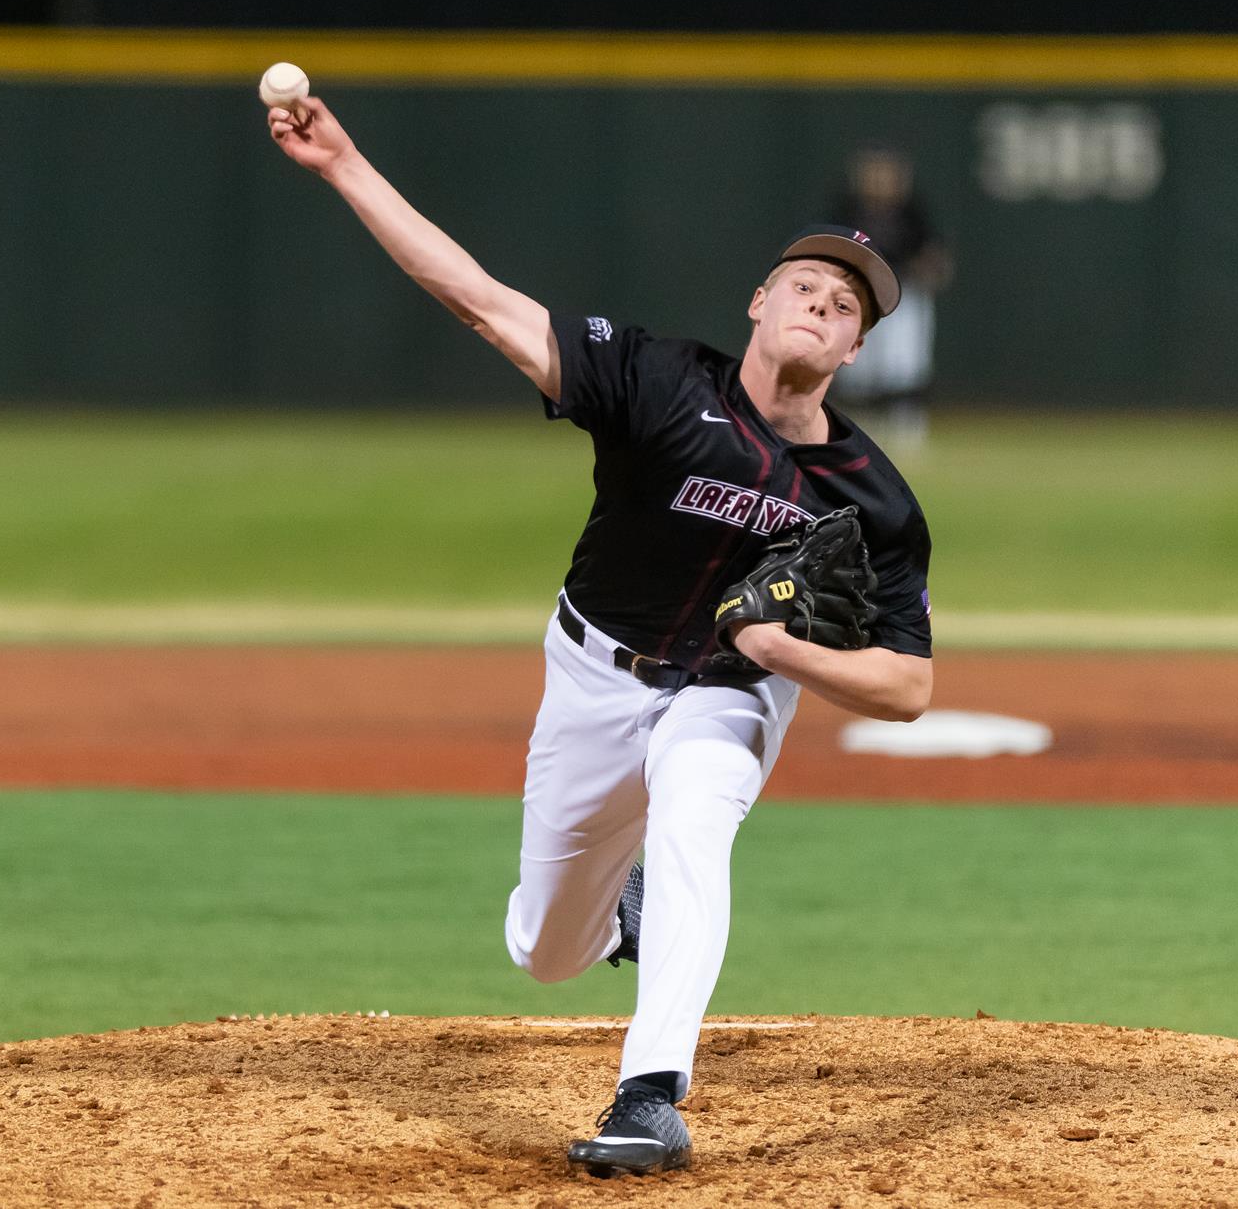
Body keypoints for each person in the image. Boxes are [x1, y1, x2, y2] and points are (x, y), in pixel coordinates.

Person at [266, 96, 934, 1178]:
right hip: (593, 671)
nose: (823, 300)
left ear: (858, 344)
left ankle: (650, 1095)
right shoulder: (659, 381)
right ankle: (611, 910)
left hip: (728, 689)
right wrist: (343, 164)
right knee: (542, 952)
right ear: (759, 303)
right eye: (806, 283)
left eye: (847, 302)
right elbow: (482, 304)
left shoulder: (872, 499)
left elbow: (905, 687)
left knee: (692, 825)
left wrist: (784, 657)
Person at [826, 145, 952, 451]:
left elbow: (931, 254)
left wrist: (932, 266)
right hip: (859, 292)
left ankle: (907, 426)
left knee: (904, 362)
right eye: (874, 173)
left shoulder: (910, 211)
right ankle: (855, 428)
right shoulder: (850, 209)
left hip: (904, 292)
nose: (880, 180)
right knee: (859, 366)